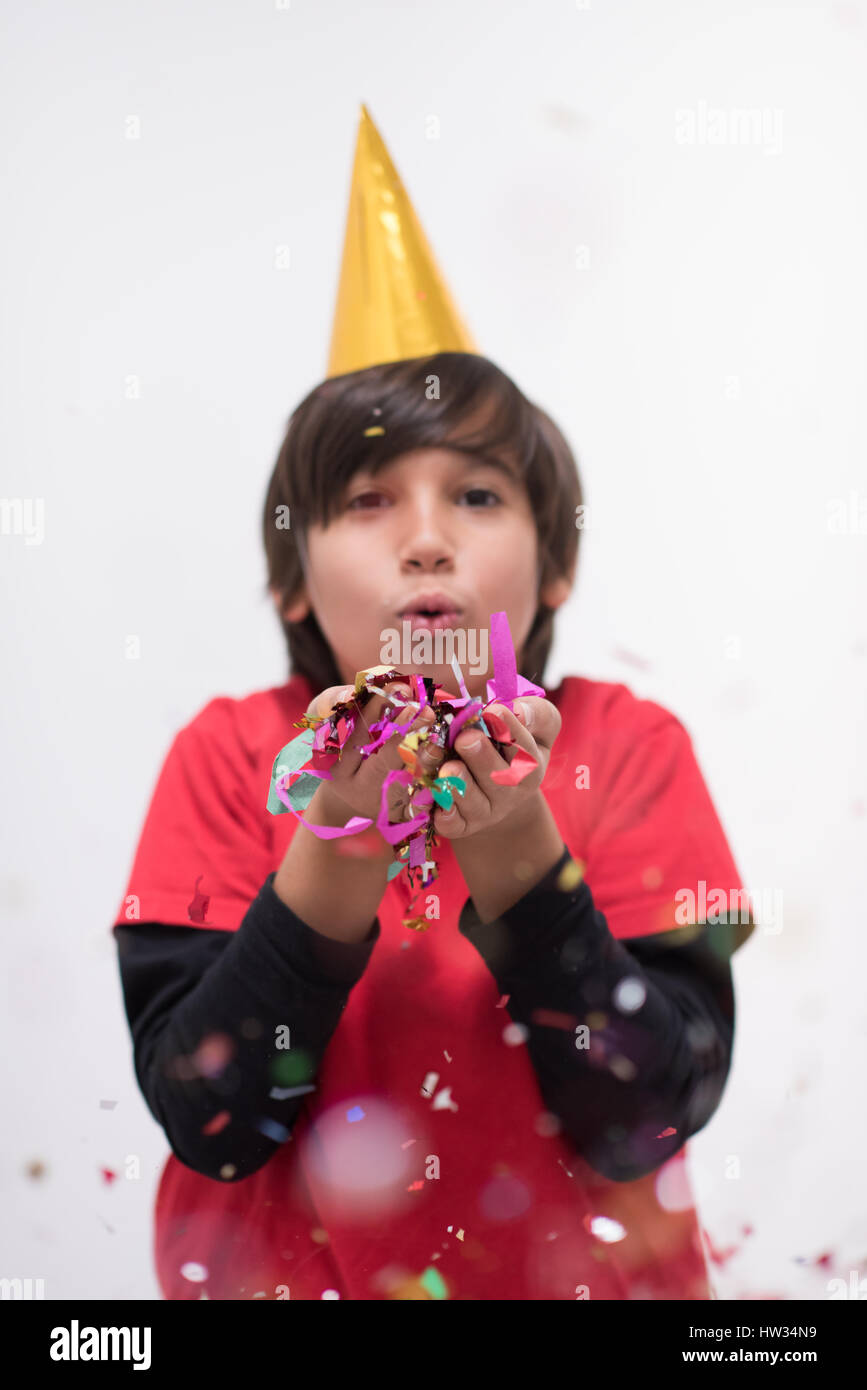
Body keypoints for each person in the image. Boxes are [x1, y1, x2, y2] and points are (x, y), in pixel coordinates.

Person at [111, 107, 753, 1302]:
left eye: (477, 495)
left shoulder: (632, 747)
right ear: (292, 581)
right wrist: (340, 833)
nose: (424, 540)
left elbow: (649, 1114)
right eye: (367, 499)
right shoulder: (227, 753)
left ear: (555, 568)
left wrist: (517, 845)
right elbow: (214, 1121)